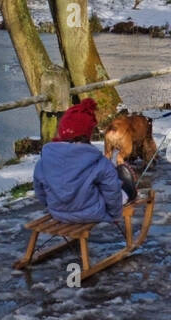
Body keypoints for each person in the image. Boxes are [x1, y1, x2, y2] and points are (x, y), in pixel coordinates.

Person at [33, 98, 138, 230]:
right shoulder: (97, 161)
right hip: (91, 213)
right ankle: (129, 190)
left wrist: (51, 206)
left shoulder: (45, 160)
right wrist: (115, 215)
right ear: (87, 134)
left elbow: (40, 190)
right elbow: (111, 191)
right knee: (117, 186)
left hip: (58, 213)